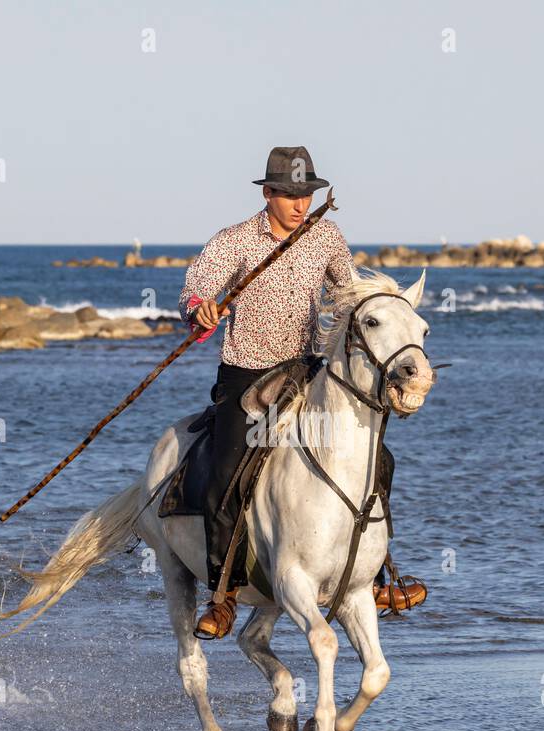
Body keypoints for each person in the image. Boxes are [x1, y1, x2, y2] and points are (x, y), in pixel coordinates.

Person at [178, 145, 427, 640]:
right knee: (227, 470)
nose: (299, 205)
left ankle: (376, 576)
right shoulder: (234, 242)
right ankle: (223, 595)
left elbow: (349, 296)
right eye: (290, 195)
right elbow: (194, 289)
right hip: (247, 376)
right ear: (268, 193)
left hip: (308, 373)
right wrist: (202, 308)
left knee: (380, 459)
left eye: (306, 195)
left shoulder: (325, 236)